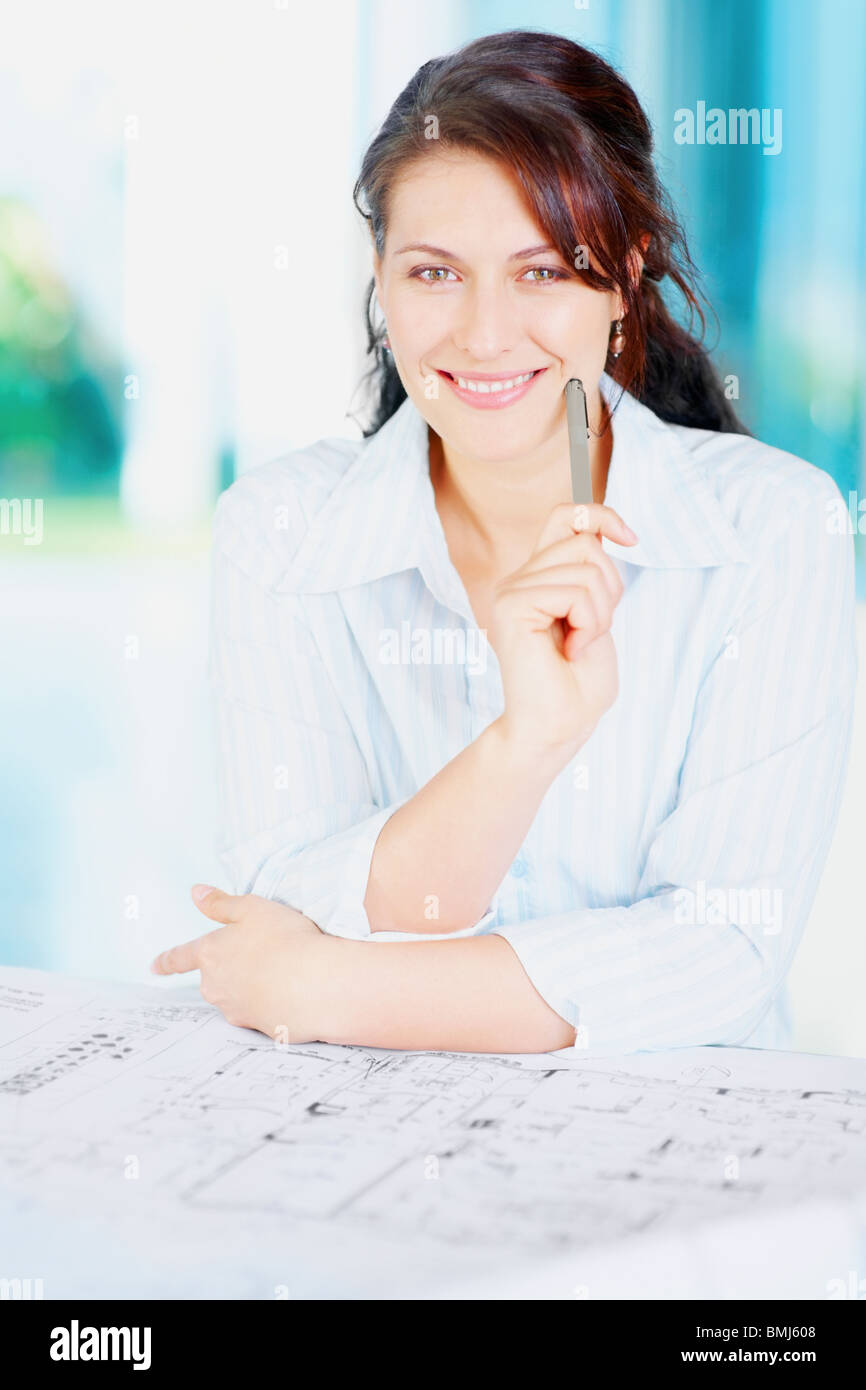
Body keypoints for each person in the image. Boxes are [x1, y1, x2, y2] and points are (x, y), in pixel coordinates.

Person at [152, 31, 857, 1057]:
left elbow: (717, 963)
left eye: (540, 272)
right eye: (434, 272)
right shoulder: (280, 531)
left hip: (677, 1167)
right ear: (381, 282)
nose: (483, 335)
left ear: (620, 279)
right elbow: (290, 889)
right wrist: (520, 746)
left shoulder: (771, 532)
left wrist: (322, 987)